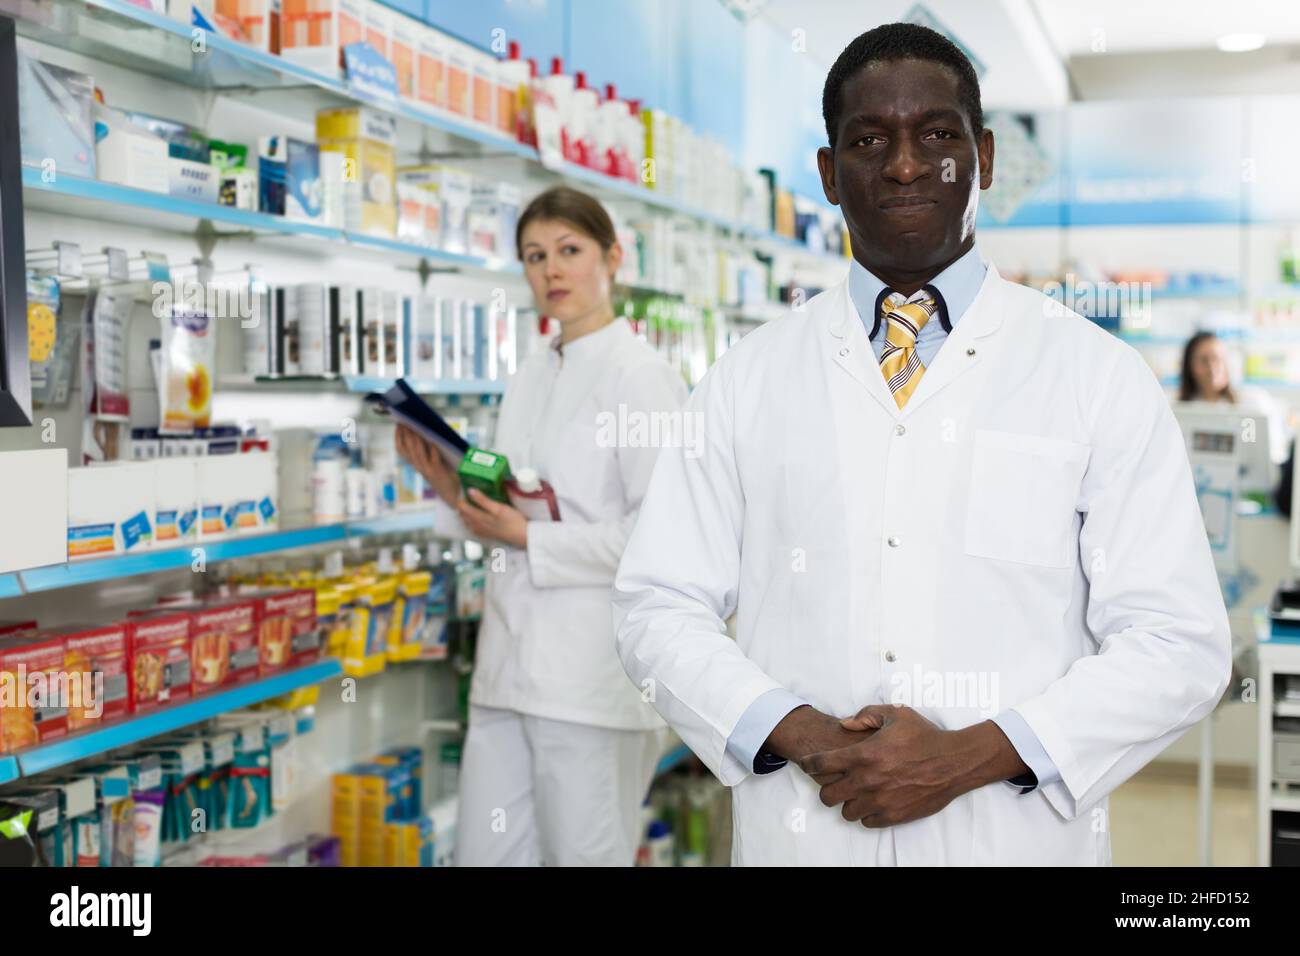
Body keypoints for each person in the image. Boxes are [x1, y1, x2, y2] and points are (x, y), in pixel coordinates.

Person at [613, 22, 1231, 866]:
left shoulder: (1096, 376)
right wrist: (801, 734)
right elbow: (656, 608)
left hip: (1011, 840)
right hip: (808, 831)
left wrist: (968, 755)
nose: (905, 165)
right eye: (869, 140)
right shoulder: (745, 380)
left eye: (936, 135)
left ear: (982, 155)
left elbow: (1179, 643)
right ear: (830, 174)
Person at [396, 186, 687, 866]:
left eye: (569, 251)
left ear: (612, 258)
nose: (551, 271)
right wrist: (451, 486)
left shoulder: (643, 381)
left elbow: (660, 538)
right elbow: (516, 502)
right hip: (506, 667)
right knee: (484, 855)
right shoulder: (529, 373)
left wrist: (527, 538)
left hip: (589, 681)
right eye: (534, 256)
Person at [1178, 330, 1288, 464]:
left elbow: (1273, 454)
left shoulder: (1253, 401)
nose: (1212, 368)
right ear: (1190, 366)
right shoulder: (1180, 411)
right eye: (1203, 360)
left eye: (1217, 358)